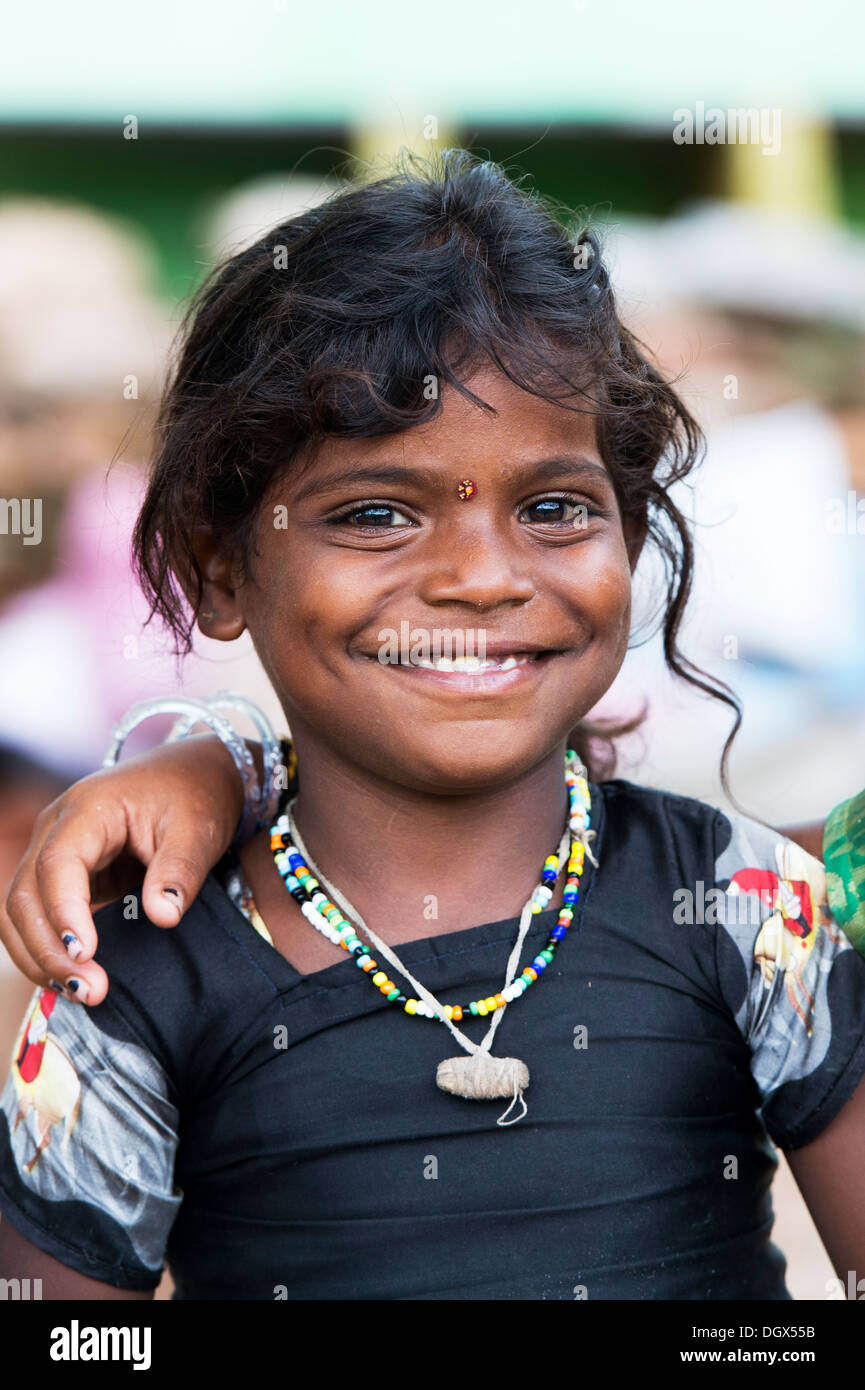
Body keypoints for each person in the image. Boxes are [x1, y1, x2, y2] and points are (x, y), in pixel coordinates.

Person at [2, 150, 865, 1301]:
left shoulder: (752, 908)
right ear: (218, 565)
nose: (479, 576)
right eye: (374, 512)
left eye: (554, 507)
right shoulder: (132, 980)